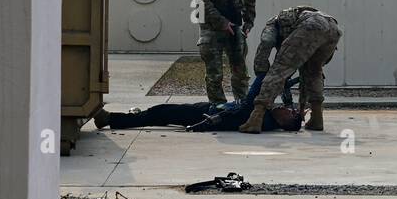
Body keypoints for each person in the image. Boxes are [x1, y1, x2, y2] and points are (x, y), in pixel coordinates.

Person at [239, 5, 341, 133]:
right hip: (333, 28)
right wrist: (302, 105)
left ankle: (256, 118)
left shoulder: (272, 24)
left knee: (279, 69)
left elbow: (266, 42)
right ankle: (317, 118)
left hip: (311, 25)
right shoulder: (296, 19)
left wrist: (261, 71)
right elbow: (306, 73)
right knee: (314, 72)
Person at [92, 74, 300, 132]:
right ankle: (113, 119)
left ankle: (110, 119)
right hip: (208, 110)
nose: (286, 108)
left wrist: (266, 73)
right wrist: (283, 79)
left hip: (203, 116)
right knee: (159, 114)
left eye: (290, 113)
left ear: (285, 124)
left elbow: (250, 99)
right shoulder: (268, 115)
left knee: (159, 113)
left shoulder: (262, 120)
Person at [194, 0, 257, 105]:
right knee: (215, 73)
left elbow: (250, 0)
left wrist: (249, 22)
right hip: (210, 25)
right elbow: (201, 2)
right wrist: (222, 22)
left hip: (234, 25)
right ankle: (218, 107)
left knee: (240, 70)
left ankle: (242, 105)